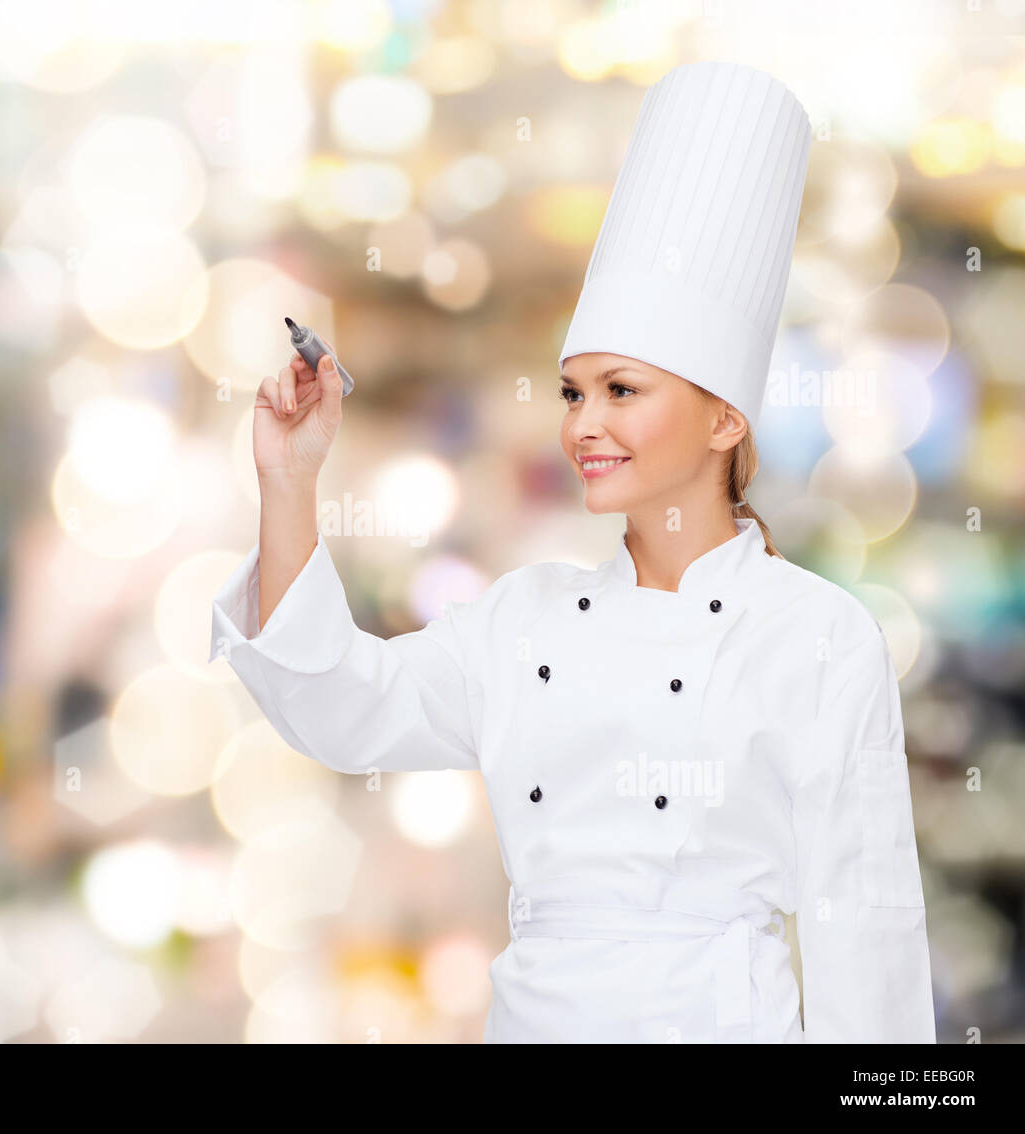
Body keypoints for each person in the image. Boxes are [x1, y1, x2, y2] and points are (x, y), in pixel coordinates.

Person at [208, 61, 937, 1043]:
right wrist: (290, 482)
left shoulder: (819, 637)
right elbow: (341, 708)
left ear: (725, 418)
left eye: (622, 391)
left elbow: (868, 933)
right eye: (571, 392)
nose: (584, 424)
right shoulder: (523, 617)